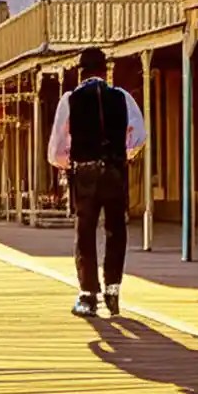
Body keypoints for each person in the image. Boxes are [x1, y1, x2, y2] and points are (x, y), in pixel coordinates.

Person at [47, 48, 147, 318]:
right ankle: (113, 289)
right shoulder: (122, 97)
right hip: (114, 171)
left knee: (85, 231)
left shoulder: (70, 100)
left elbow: (55, 149)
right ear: (106, 70)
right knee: (116, 229)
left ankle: (88, 295)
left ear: (80, 72)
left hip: (85, 173)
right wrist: (119, 154)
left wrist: (72, 161)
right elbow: (139, 135)